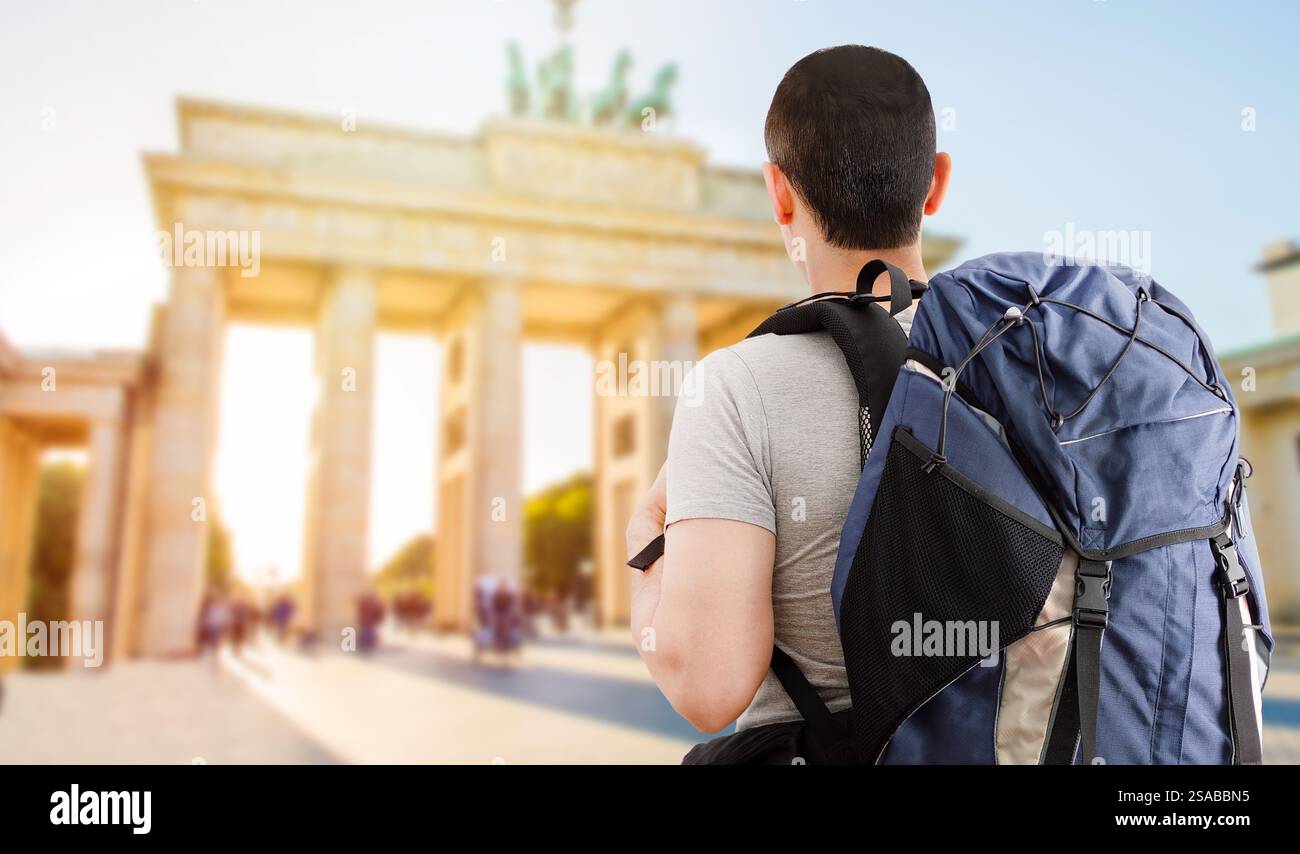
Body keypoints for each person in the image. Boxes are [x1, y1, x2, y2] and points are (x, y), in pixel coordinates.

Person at [627, 45, 952, 734]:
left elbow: (708, 686)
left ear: (778, 193)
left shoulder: (736, 388)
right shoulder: (1036, 358)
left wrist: (644, 555)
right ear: (936, 184)